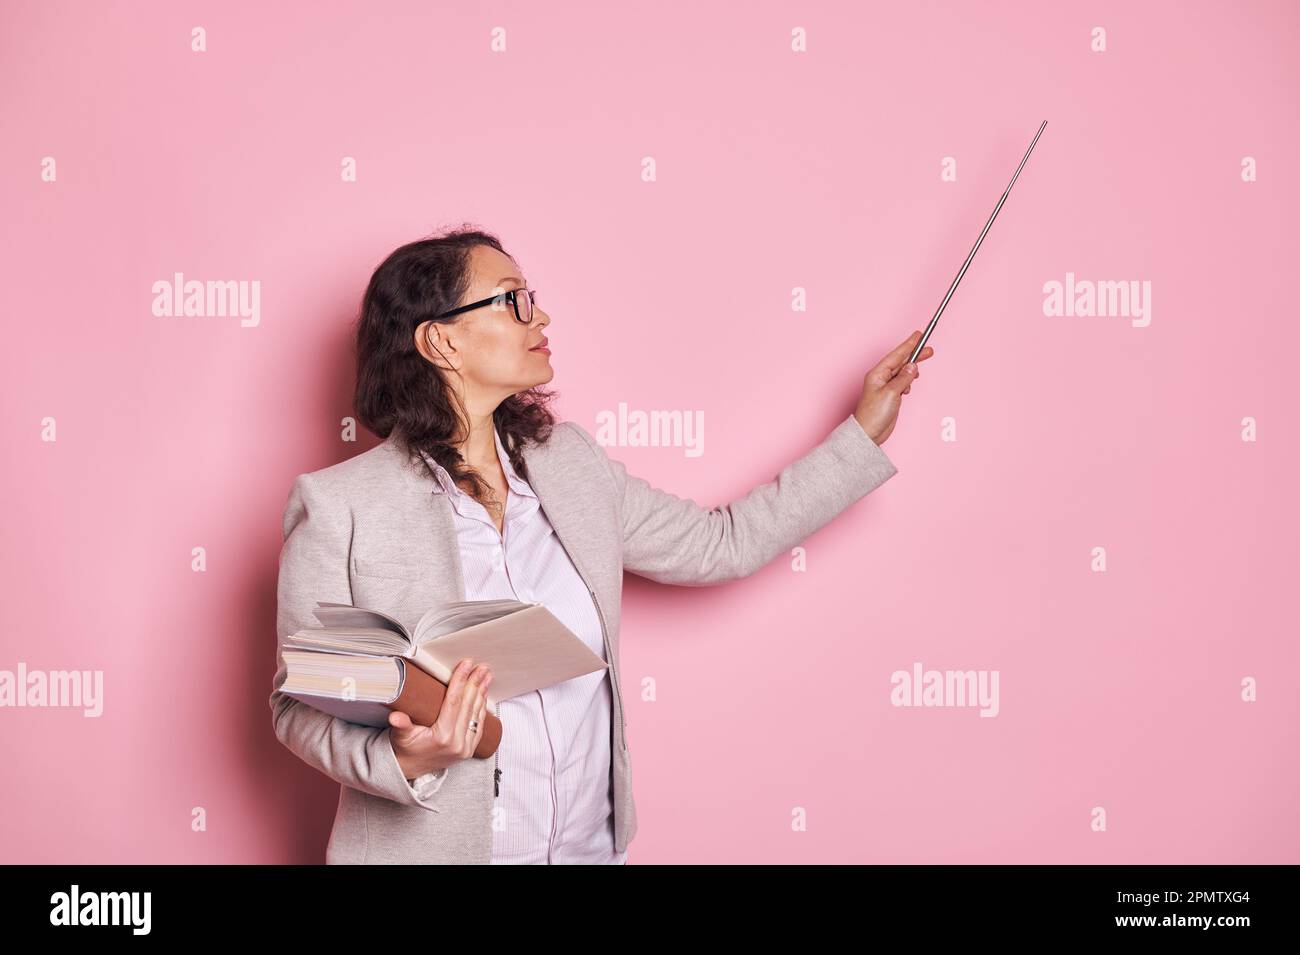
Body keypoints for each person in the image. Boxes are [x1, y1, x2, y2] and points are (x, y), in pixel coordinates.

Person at [269, 226, 934, 864]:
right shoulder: (341, 505)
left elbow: (720, 543)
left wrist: (862, 435)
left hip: (591, 850)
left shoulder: (573, 464)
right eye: (514, 300)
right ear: (441, 341)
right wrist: (407, 759)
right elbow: (298, 704)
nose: (541, 318)